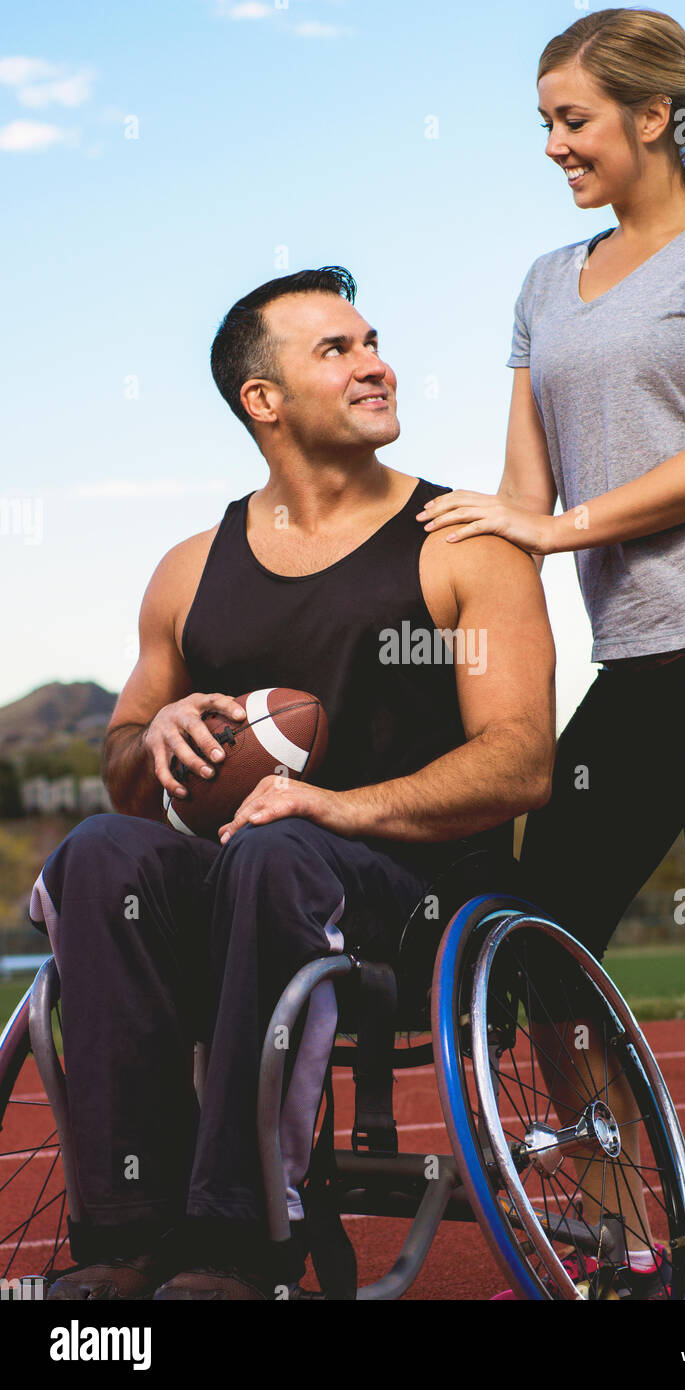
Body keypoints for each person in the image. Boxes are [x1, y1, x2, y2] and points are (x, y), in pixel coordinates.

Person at [29, 266, 556, 1300]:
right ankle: (126, 1235)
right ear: (261, 401)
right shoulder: (191, 566)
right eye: (338, 350)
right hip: (242, 889)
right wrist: (155, 735)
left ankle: (241, 1244)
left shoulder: (462, 540)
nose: (376, 364)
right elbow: (129, 767)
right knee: (96, 849)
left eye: (372, 341)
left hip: (414, 909)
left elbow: (521, 759)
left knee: (277, 849)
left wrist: (335, 807)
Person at [418, 10, 685, 1301]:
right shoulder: (547, 280)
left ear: (652, 118)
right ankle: (618, 1233)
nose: (553, 144)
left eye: (571, 119)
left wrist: (559, 525)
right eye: (543, 123)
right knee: (546, 937)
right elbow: (515, 495)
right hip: (635, 657)